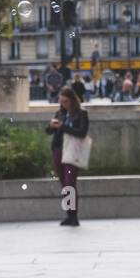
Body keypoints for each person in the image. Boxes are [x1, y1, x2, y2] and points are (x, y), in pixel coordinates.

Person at [47, 86, 90, 227]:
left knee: (70, 183)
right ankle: (69, 215)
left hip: (72, 151)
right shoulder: (59, 113)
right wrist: (51, 126)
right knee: (64, 184)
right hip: (58, 149)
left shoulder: (81, 113)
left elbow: (82, 132)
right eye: (61, 101)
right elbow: (48, 131)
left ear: (72, 100)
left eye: (65, 101)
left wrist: (62, 127)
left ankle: (74, 216)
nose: (63, 104)